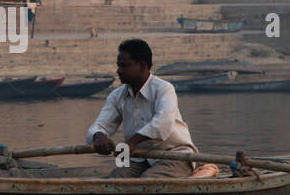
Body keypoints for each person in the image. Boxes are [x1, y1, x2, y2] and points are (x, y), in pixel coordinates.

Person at [87, 39, 217, 179]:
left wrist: (132, 142)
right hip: (137, 157)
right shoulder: (117, 95)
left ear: (142, 66)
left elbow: (162, 124)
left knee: (147, 182)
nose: (119, 71)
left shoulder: (164, 89)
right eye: (118, 66)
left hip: (174, 155)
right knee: (115, 178)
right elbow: (100, 125)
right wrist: (99, 136)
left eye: (124, 66)